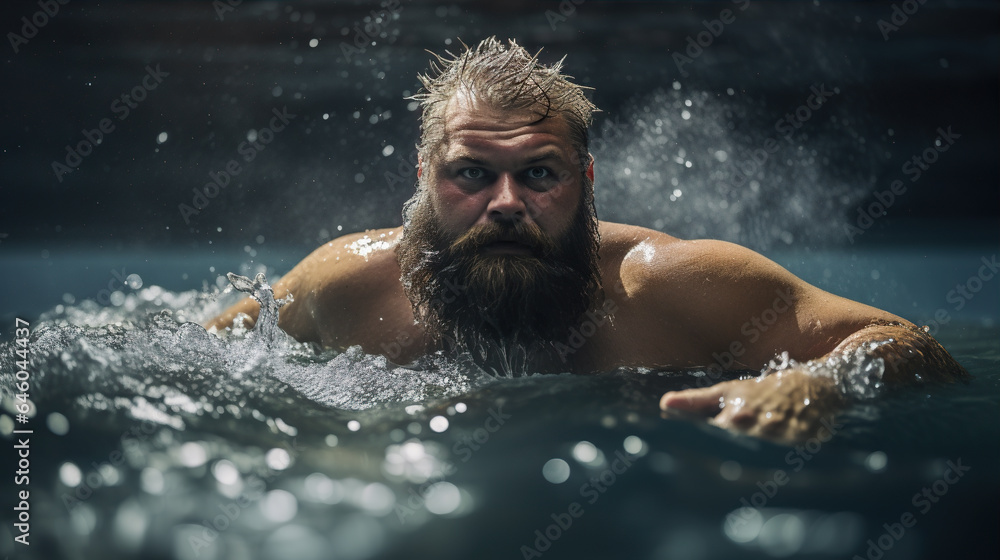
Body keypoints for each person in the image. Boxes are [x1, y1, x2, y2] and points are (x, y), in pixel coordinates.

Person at [204, 37, 967, 442]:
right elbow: (200, 350)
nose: (506, 203)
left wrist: (814, 383)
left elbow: (909, 343)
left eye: (540, 173)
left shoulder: (674, 288)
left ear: (586, 182)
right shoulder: (346, 284)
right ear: (424, 178)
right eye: (472, 172)